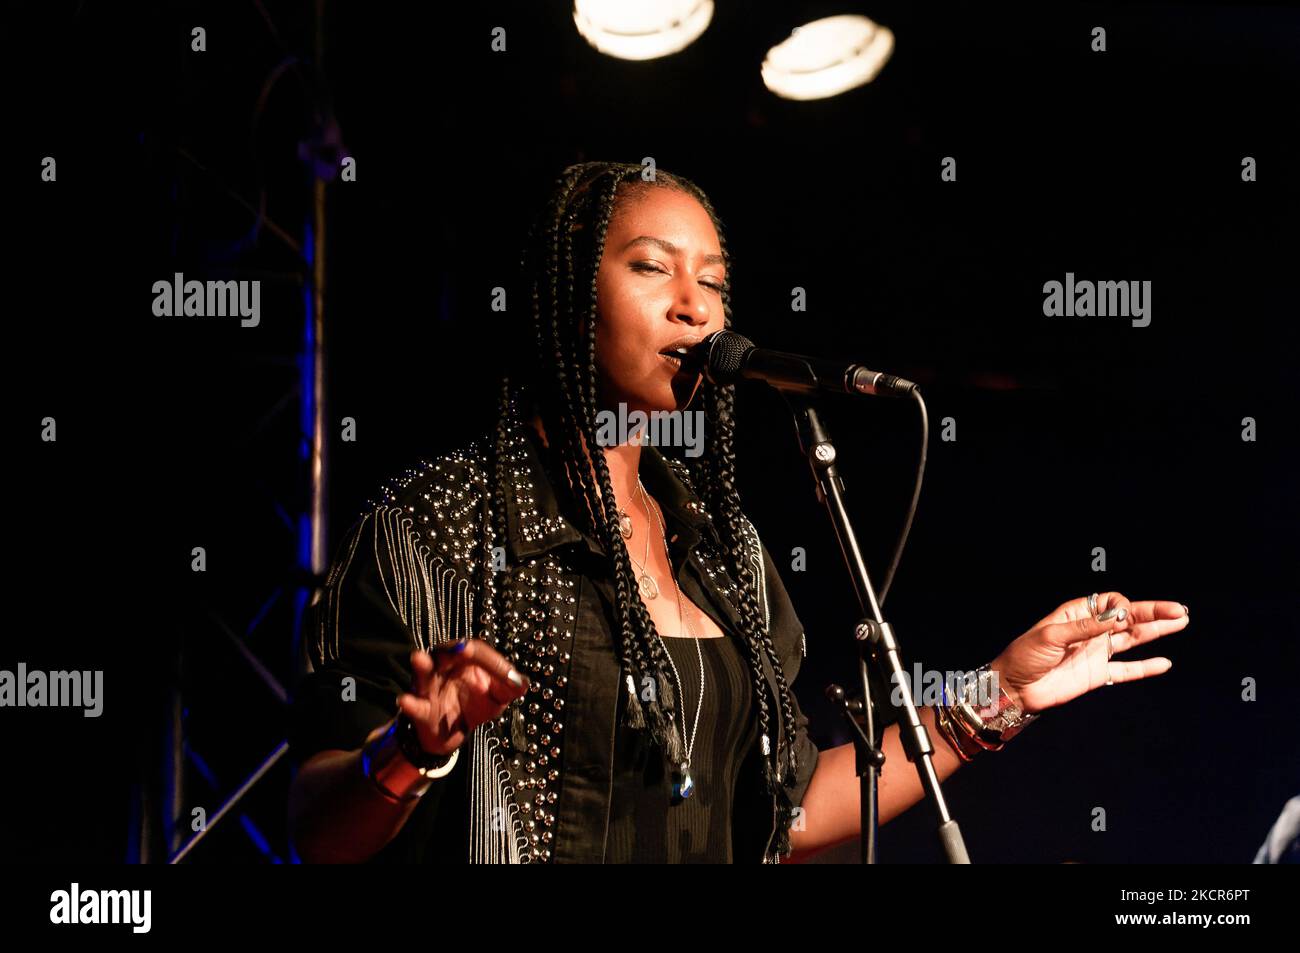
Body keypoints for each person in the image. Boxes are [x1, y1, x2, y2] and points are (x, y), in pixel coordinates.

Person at [287, 161, 1191, 863]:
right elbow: (318, 828)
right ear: (567, 293)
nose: (694, 306)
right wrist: (412, 747)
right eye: (651, 268)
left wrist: (1002, 689)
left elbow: (793, 806)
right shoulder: (438, 526)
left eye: (713, 283)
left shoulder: (720, 549)